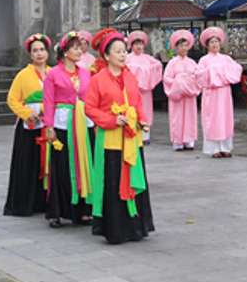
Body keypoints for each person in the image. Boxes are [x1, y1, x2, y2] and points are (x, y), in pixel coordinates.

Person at [85, 30, 155, 244]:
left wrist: (142, 120)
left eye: (124, 51)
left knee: (134, 178)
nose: (123, 55)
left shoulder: (130, 77)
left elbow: (137, 103)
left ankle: (136, 226)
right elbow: (89, 108)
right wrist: (111, 120)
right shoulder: (98, 80)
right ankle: (116, 229)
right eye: (117, 52)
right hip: (110, 140)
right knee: (113, 182)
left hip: (131, 138)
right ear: (106, 56)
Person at [43, 30, 94, 226]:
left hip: (83, 122)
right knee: (61, 165)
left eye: (79, 47)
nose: (79, 50)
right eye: (74, 47)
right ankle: (57, 210)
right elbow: (48, 102)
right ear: (65, 52)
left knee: (84, 163)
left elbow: (90, 97)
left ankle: (83, 208)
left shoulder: (85, 73)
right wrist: (49, 126)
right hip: (62, 122)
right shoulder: (53, 74)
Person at [3, 33, 51, 217]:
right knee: (27, 164)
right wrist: (27, 113)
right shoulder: (23, 75)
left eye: (42, 50)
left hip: (48, 125)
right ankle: (24, 203)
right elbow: (12, 99)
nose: (39, 54)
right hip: (29, 126)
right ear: (30, 54)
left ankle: (45, 201)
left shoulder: (53, 73)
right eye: (35, 51)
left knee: (46, 164)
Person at [197, 27, 242, 158]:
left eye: (216, 41)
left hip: (224, 94)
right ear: (207, 45)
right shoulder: (204, 60)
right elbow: (199, 76)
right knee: (212, 120)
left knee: (225, 119)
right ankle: (214, 149)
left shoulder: (226, 59)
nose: (215, 44)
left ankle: (226, 147)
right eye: (211, 42)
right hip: (211, 94)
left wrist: (216, 73)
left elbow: (236, 70)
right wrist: (216, 73)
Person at [163, 30, 201, 151]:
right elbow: (167, 78)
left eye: (185, 45)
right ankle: (178, 140)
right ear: (176, 47)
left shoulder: (192, 63)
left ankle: (189, 139)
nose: (183, 48)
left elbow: (198, 77)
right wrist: (179, 83)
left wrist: (189, 83)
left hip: (189, 95)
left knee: (190, 116)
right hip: (177, 95)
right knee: (177, 117)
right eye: (180, 45)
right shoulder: (172, 63)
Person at [125, 31, 164, 144]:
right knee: (133, 110)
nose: (139, 46)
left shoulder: (148, 58)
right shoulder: (128, 58)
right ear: (131, 46)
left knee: (146, 111)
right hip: (132, 91)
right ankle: (133, 132)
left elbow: (158, 66)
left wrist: (146, 74)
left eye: (141, 44)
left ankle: (145, 136)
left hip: (146, 91)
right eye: (136, 44)